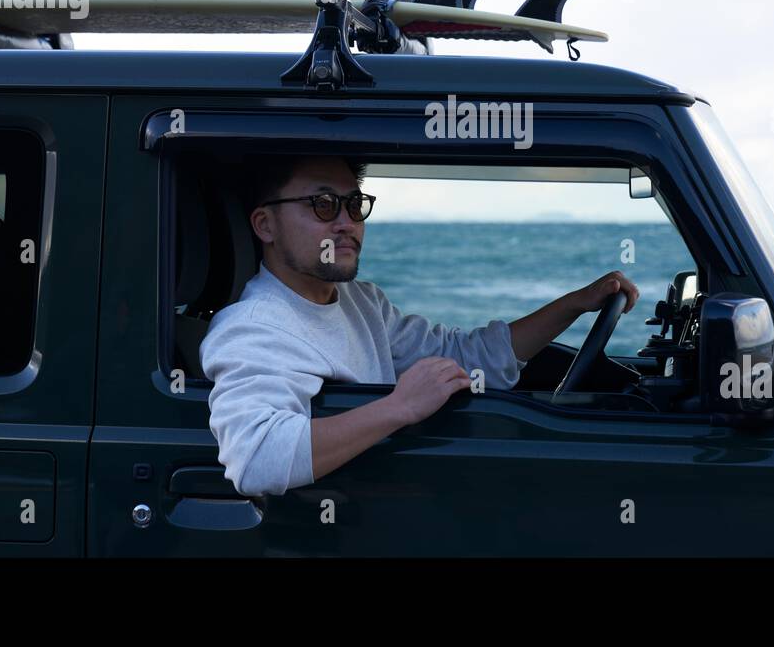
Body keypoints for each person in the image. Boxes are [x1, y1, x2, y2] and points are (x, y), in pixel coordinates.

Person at [200, 154, 640, 498]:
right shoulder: (253, 328)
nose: (346, 222)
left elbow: (466, 356)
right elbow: (256, 460)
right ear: (265, 224)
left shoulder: (359, 301)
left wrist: (577, 303)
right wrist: (399, 407)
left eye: (354, 205)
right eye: (322, 204)